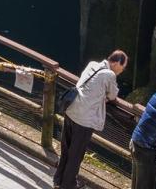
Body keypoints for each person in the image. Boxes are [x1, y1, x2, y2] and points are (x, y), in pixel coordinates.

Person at [54, 50, 128, 189]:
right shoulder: (109, 74)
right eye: (123, 67)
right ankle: (68, 185)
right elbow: (113, 95)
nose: (122, 70)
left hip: (71, 110)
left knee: (66, 149)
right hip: (84, 119)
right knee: (76, 155)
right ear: (117, 63)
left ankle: (58, 180)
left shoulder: (92, 64)